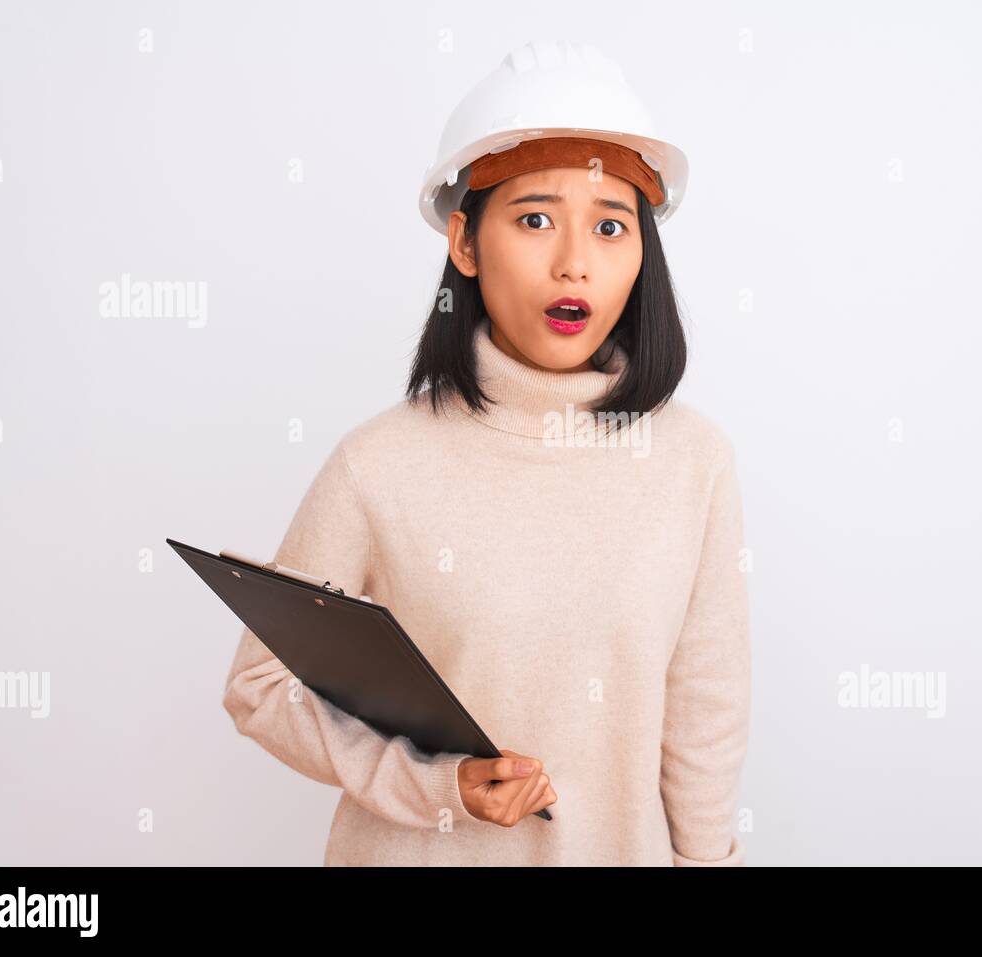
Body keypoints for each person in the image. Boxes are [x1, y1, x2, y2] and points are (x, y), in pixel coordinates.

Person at [221, 39, 750, 866]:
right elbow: (261, 686)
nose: (574, 261)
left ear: (642, 249)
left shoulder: (693, 461)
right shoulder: (378, 463)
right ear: (465, 243)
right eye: (535, 218)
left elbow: (704, 713)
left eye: (611, 225)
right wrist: (436, 785)